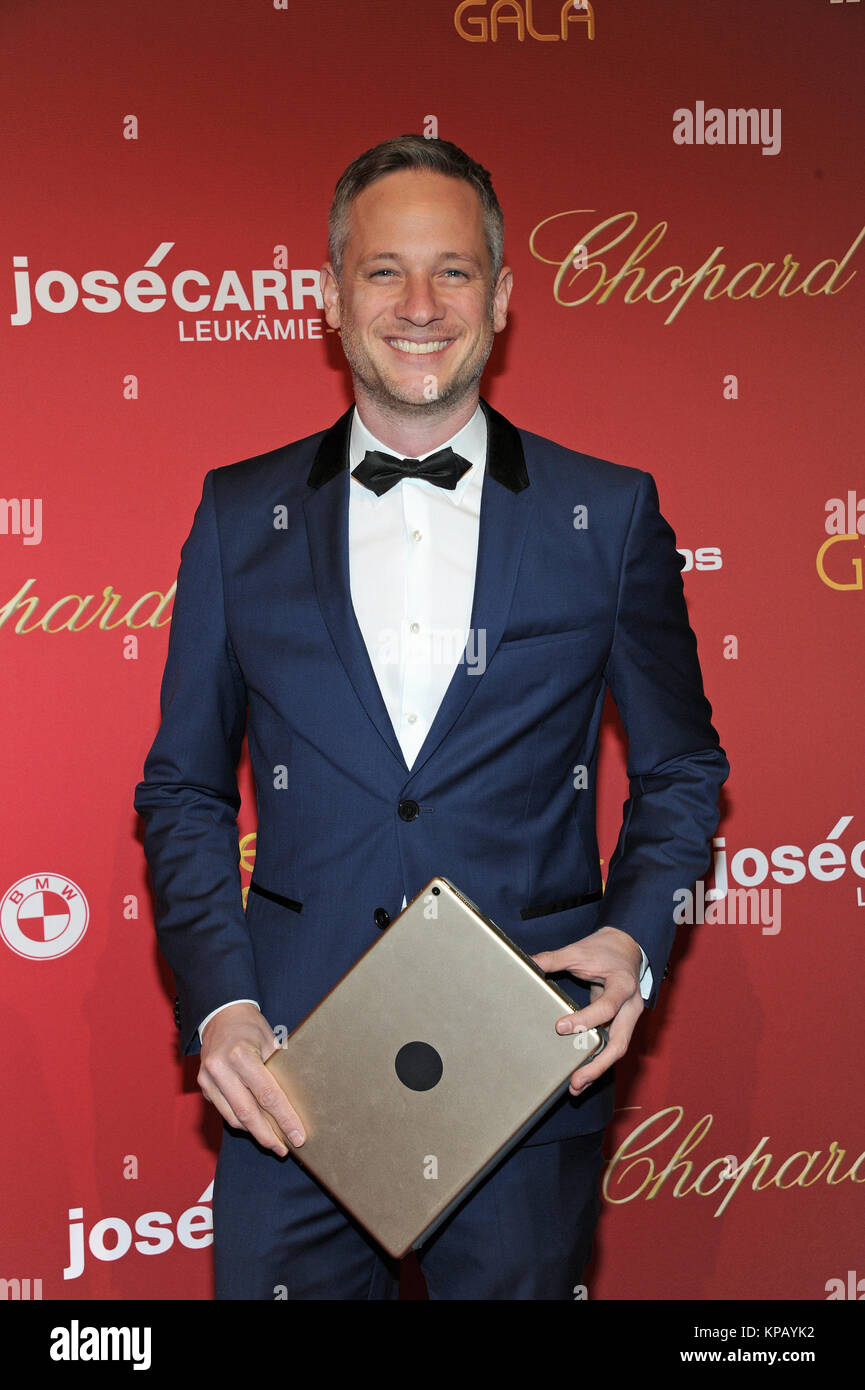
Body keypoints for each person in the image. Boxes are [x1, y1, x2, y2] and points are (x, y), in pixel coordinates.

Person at [134, 134, 729, 1300]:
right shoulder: (234, 513)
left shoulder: (605, 515)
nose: (418, 306)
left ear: (502, 298)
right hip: (288, 1075)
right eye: (382, 270)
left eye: (453, 271)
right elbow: (185, 788)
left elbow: (681, 766)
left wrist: (632, 938)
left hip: (526, 1060)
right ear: (329, 296)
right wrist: (223, 1003)